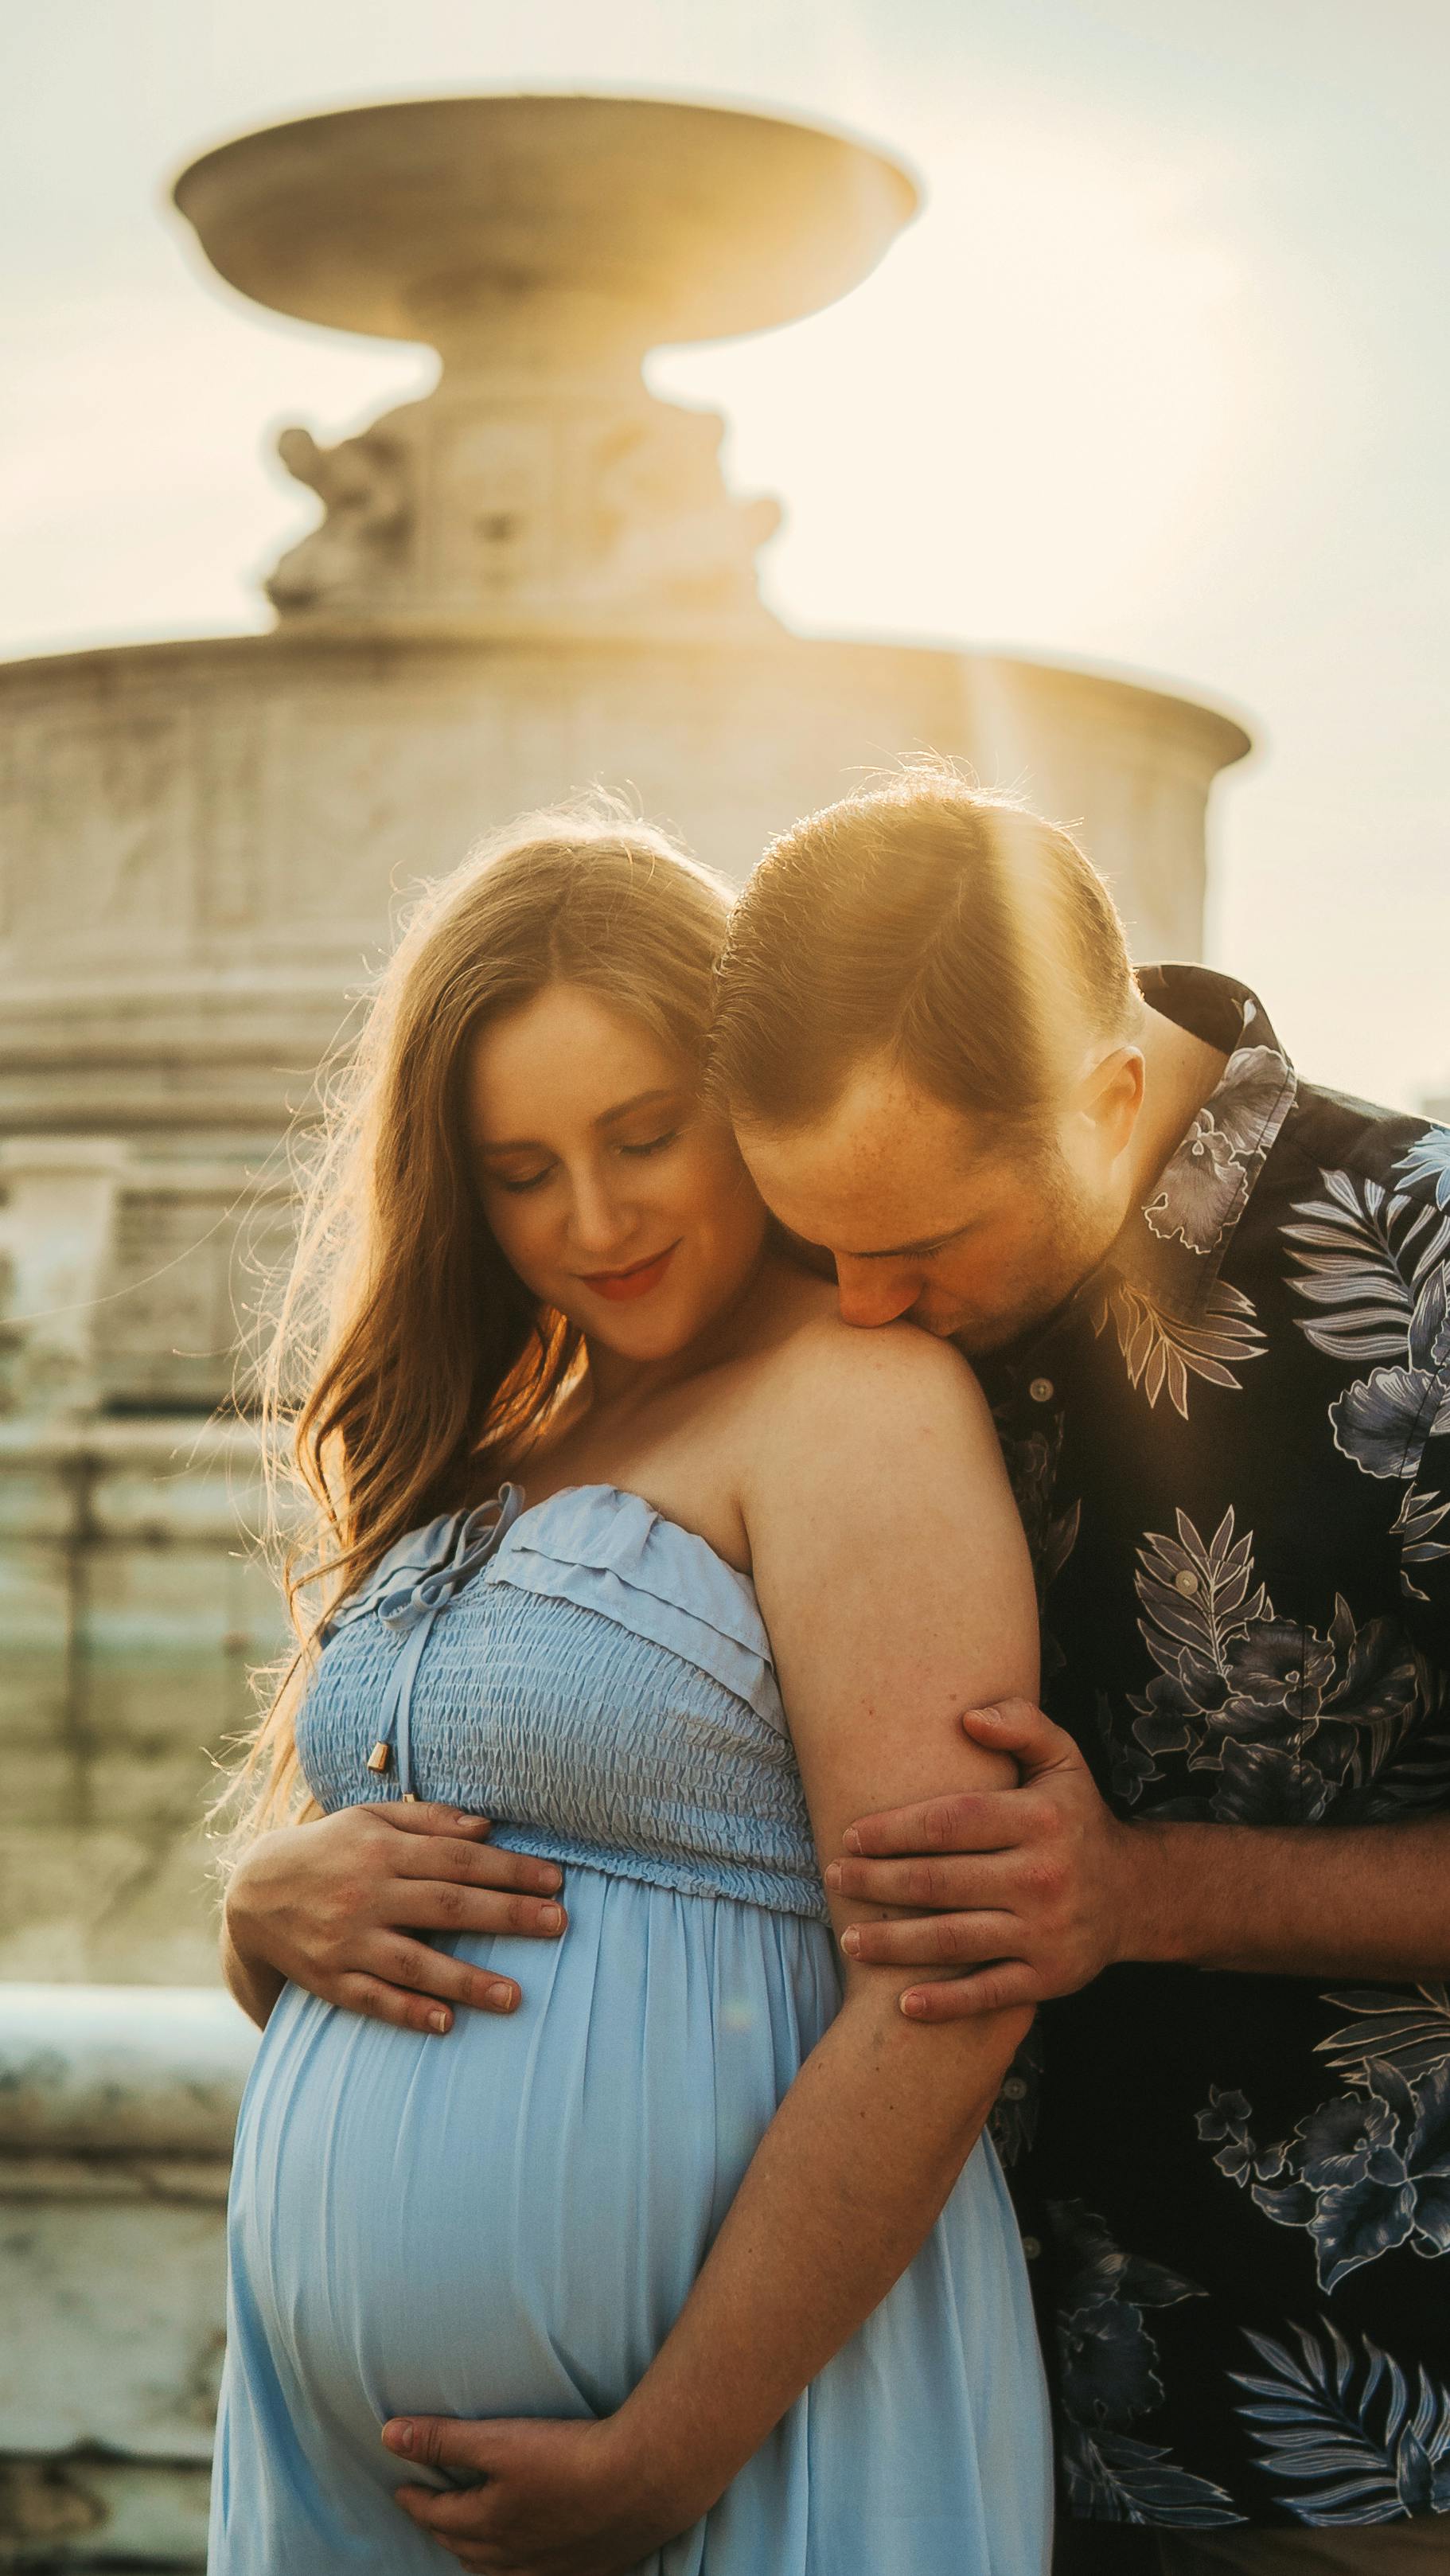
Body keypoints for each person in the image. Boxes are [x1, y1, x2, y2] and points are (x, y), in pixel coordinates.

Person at [212, 807, 1053, 2575]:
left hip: (743, 2443)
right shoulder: (489, 1440)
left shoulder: (855, 1402)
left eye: (642, 1135)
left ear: (739, 1095)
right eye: (520, 1169)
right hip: (340, 2478)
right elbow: (376, 1904)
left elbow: (949, 1981)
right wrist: (257, 1908)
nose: (591, 1220)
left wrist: (668, 2451)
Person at [704, 771, 1450, 2573]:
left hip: (1341, 2465)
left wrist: (1143, 1889)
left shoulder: (1424, 1264)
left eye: (919, 1244)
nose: (857, 1305)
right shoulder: (834, 1281)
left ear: (1109, 1093)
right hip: (912, 2414)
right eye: (820, 1241)